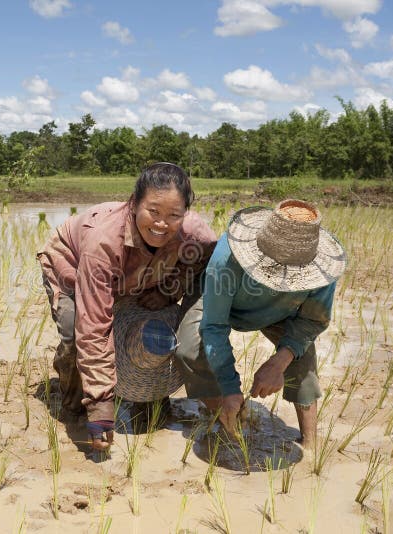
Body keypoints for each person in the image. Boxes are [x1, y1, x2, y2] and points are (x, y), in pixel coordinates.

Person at [37, 162, 217, 452]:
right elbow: (94, 326)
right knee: (74, 332)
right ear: (134, 204)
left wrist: (169, 290)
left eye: (173, 215)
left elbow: (203, 257)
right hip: (72, 264)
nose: (161, 224)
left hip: (139, 273)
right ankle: (73, 389)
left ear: (185, 213)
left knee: (148, 325)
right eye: (153, 212)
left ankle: (149, 397)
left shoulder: (193, 232)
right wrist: (99, 405)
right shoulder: (104, 242)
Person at [174, 199, 347, 448]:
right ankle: (228, 417)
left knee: (302, 356)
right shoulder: (227, 258)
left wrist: (279, 362)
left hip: (279, 311)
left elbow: (311, 321)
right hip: (218, 301)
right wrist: (230, 387)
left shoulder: (322, 270)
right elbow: (214, 326)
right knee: (189, 348)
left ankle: (311, 443)